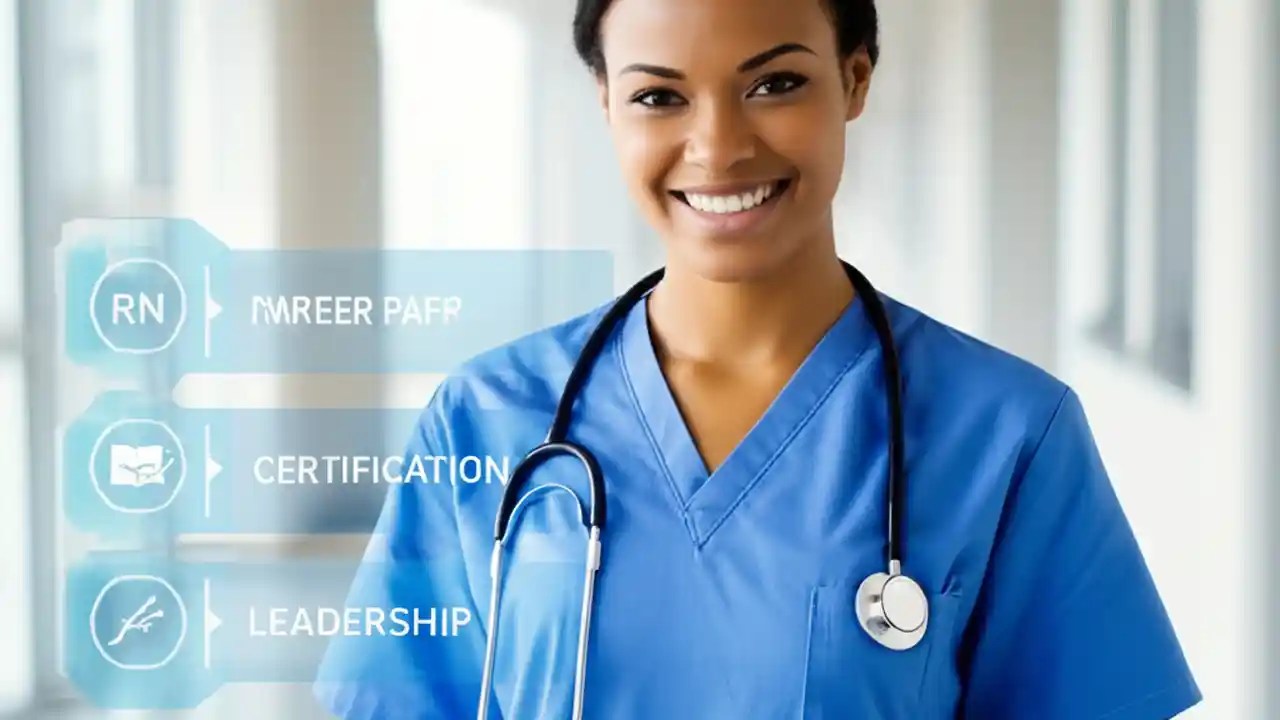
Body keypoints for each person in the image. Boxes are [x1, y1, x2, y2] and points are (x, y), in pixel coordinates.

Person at [315, 0, 1202, 717]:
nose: (719, 147)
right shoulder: (484, 416)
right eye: (660, 96)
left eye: (775, 83)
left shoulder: (1006, 434)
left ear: (855, 80)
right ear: (605, 104)